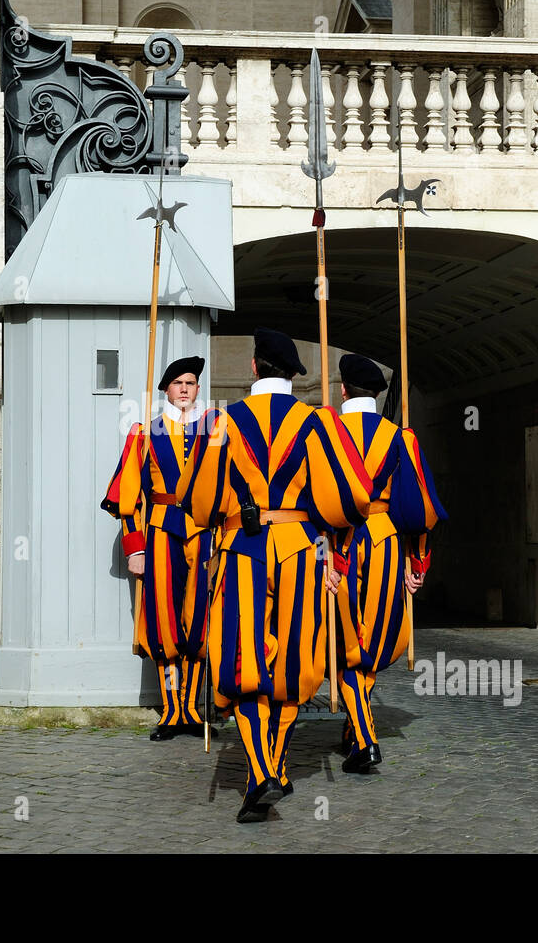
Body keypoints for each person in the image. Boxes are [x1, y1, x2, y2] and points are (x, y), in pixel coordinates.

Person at [177, 329, 372, 823]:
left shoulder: (221, 421)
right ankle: (270, 770)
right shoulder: (319, 423)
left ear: (254, 367)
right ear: (292, 374)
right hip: (302, 550)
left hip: (243, 550)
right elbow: (347, 501)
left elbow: (198, 501)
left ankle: (262, 771)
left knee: (243, 664)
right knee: (290, 667)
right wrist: (332, 552)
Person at [329, 353, 447, 773]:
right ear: (377, 395)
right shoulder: (400, 437)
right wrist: (417, 563)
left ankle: (364, 739)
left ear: (343, 390)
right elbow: (418, 507)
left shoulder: (327, 429)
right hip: (384, 541)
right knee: (371, 637)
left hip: (338, 543)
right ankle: (353, 728)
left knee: (345, 643)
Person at [101, 357, 212, 740]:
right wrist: (135, 548)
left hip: (203, 535)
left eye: (191, 383)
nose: (185, 388)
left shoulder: (214, 433)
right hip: (161, 533)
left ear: (198, 390)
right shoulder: (144, 434)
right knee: (164, 622)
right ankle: (172, 711)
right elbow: (126, 499)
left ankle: (194, 708)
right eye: (178, 382)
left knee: (198, 621)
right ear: (166, 388)